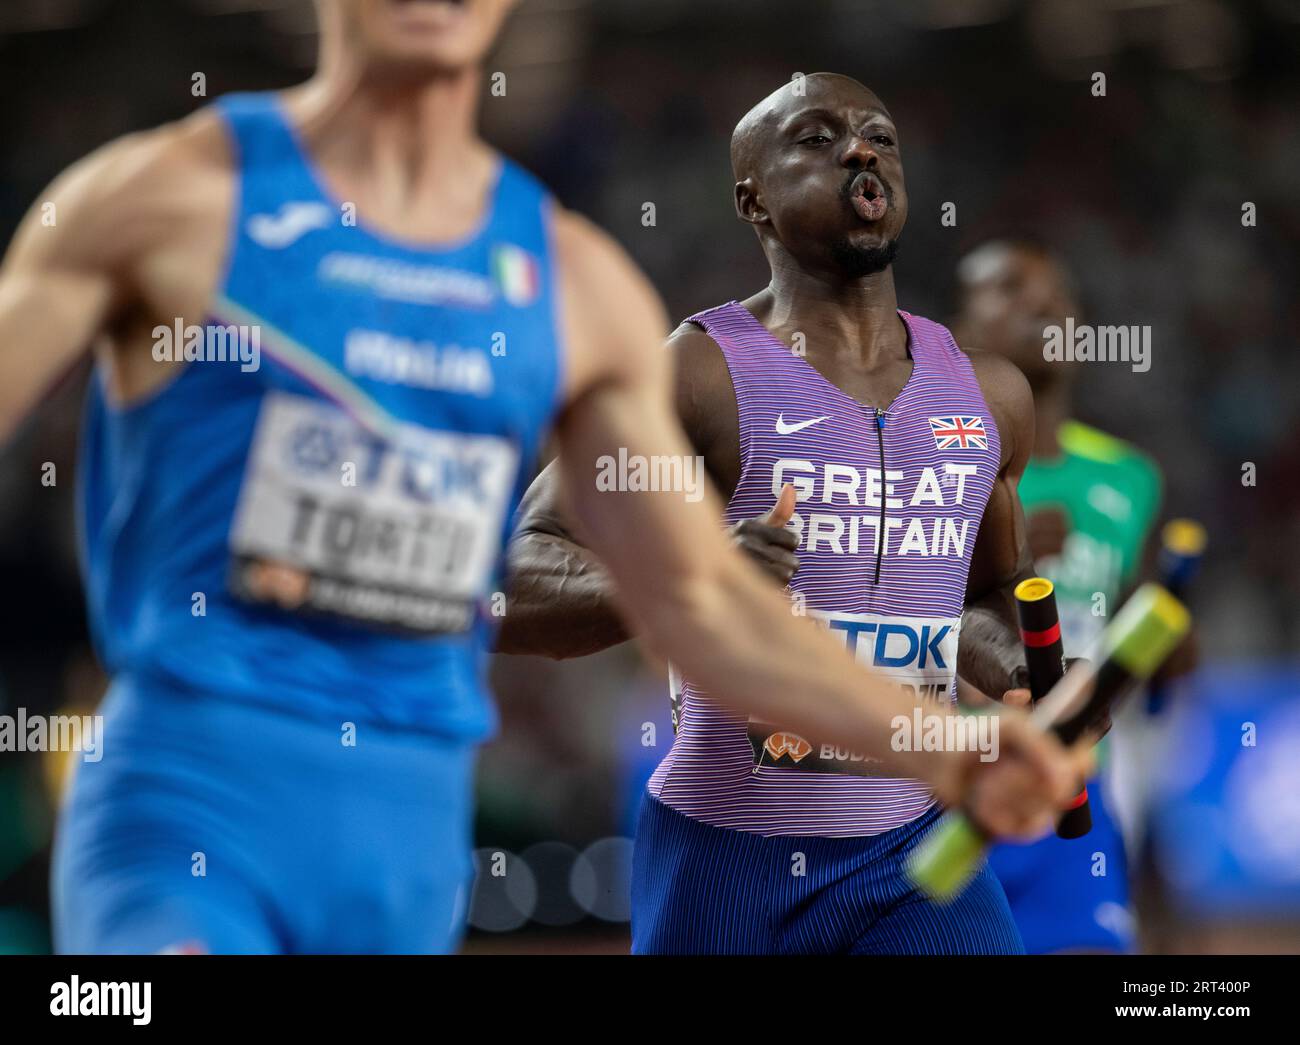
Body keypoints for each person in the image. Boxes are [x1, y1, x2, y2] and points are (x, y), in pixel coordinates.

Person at [0, 6, 1081, 954]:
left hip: (404, 846)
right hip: (191, 803)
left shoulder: (572, 283)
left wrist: (952, 743)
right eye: (819, 137)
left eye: (879, 137)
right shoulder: (163, 199)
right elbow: (580, 575)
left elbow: (704, 602)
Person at [501, 73, 1075, 954]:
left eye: (879, 136)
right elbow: (516, 582)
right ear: (753, 200)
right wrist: (687, 578)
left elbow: (984, 597)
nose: (859, 150)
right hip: (724, 849)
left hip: (911, 847)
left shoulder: (989, 395)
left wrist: (1021, 672)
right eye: (815, 138)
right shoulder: (693, 374)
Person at [952, 237, 1185, 953]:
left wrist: (1171, 632)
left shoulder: (1130, 477)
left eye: (1059, 294)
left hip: (1074, 795)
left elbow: (1145, 641)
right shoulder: (939, 468)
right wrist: (1006, 563)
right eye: (1011, 288)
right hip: (952, 792)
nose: (1044, 303)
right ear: (962, 331)